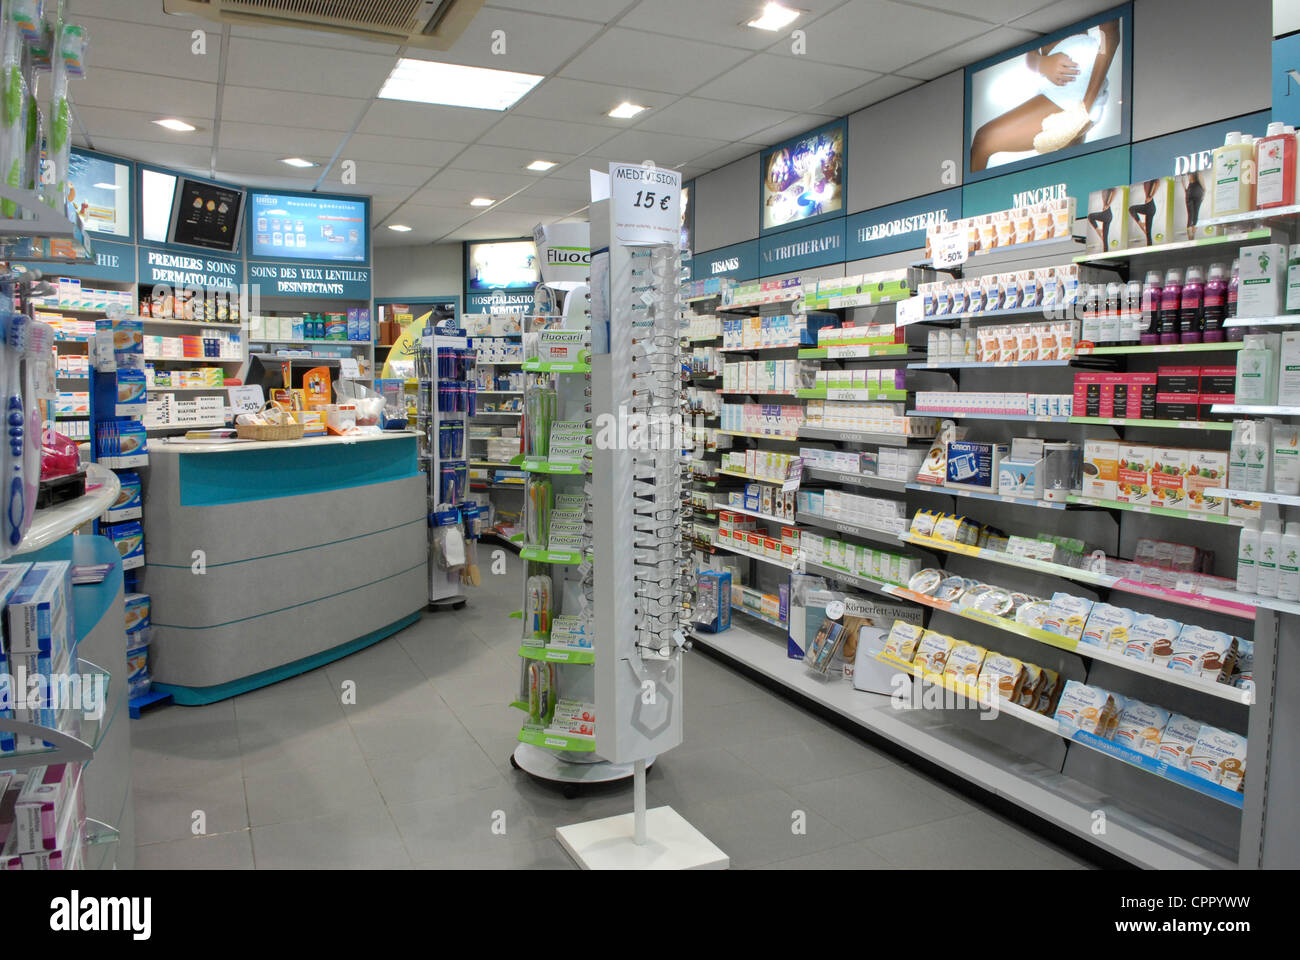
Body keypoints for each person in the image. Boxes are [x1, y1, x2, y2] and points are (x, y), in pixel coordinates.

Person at [970, 19, 1121, 173]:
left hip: (1074, 79)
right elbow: (1031, 56)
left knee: (984, 140)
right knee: (1064, 177)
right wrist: (1042, 64)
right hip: (1056, 85)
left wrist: (1085, 107)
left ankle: (964, 197)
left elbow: (1110, 35)